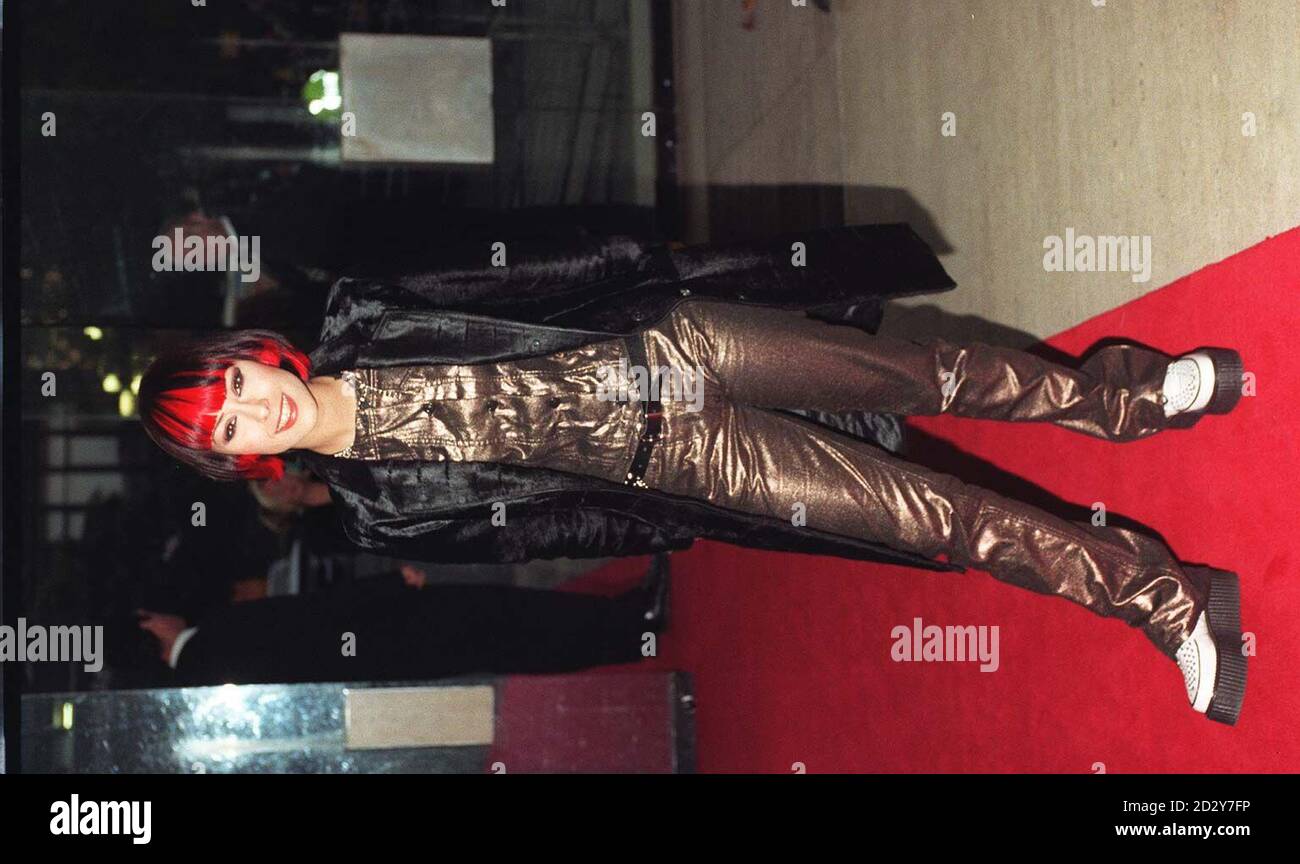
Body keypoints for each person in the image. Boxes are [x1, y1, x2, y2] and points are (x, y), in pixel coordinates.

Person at [137, 223, 1248, 725]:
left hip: (677, 345)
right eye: (227, 430)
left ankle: (1129, 398)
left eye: (234, 388)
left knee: (928, 372)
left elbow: (528, 266)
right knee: (929, 521)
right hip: (679, 458)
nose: (251, 412)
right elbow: (538, 532)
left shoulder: (360, 309)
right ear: (240, 462)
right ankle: (1159, 596)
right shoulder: (373, 514)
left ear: (252, 358)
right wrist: (657, 522)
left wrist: (648, 271)